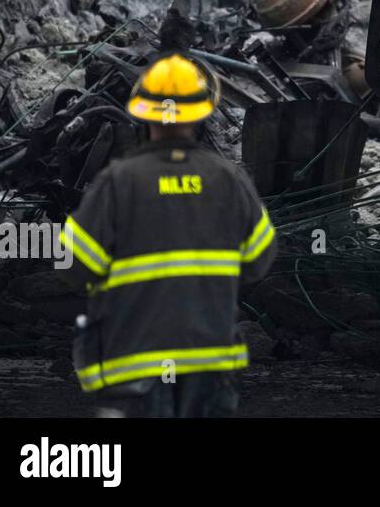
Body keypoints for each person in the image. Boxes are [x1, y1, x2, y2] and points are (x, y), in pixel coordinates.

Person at [57, 52, 275, 417]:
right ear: (201, 115)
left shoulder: (118, 181)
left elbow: (75, 266)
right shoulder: (229, 180)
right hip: (209, 361)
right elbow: (258, 261)